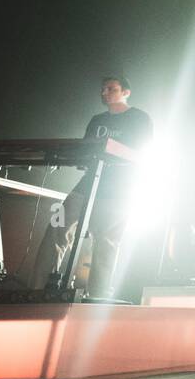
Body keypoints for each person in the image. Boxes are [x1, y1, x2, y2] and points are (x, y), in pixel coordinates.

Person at [29, 76, 153, 298]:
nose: (105, 92)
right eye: (103, 89)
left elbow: (143, 154)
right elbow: (84, 152)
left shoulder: (139, 118)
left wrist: (111, 149)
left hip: (120, 190)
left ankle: (97, 299)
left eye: (111, 88)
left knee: (106, 244)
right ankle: (37, 291)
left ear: (126, 92)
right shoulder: (97, 120)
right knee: (56, 229)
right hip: (86, 186)